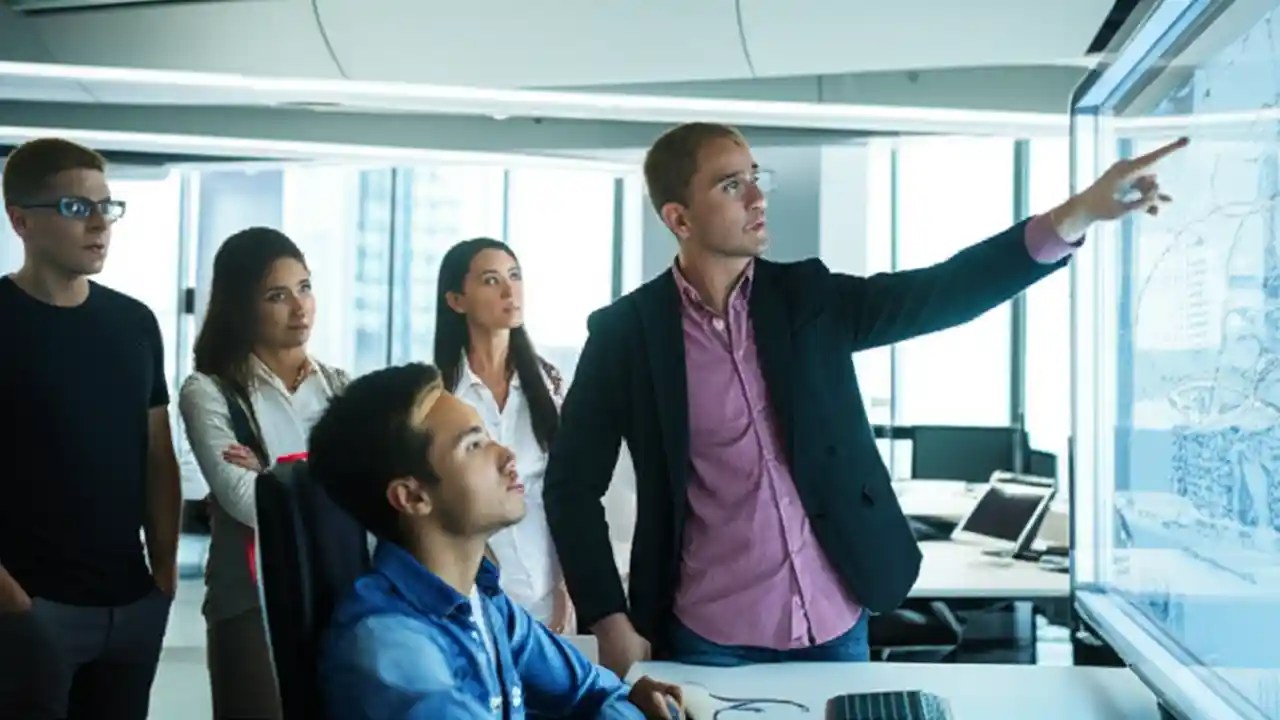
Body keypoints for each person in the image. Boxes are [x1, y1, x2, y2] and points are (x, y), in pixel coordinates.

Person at [543, 121, 1188, 675]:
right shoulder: (625, 335)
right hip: (708, 638)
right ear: (677, 218)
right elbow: (571, 487)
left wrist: (1075, 214)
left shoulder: (808, 300)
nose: (758, 197)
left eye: (755, 176)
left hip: (834, 625)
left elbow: (941, 292)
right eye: (730, 184)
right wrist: (607, 618)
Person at [311, 363, 683, 720]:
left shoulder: (483, 601)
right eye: (473, 446)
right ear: (413, 497)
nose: (507, 456)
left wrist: (625, 707)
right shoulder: (389, 645)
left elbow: (597, 691)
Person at [0, 137, 182, 719]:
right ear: (20, 220)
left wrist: (165, 576)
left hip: (131, 606)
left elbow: (158, 456)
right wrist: (12, 602)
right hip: (29, 607)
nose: (100, 222)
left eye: (108, 206)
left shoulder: (133, 323)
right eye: (78, 208)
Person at [178, 227, 348, 720]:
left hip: (338, 594)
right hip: (249, 603)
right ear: (242, 305)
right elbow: (241, 498)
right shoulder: (210, 391)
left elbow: (368, 496)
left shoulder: (339, 388)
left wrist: (273, 476)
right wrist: (320, 483)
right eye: (277, 295)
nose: (300, 308)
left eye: (305, 287)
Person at [434, 237, 637, 633]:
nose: (510, 291)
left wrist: (567, 585)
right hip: (476, 597)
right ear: (457, 300)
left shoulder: (551, 384)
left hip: (550, 591)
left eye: (515, 276)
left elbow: (568, 490)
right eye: (491, 280)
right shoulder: (440, 396)